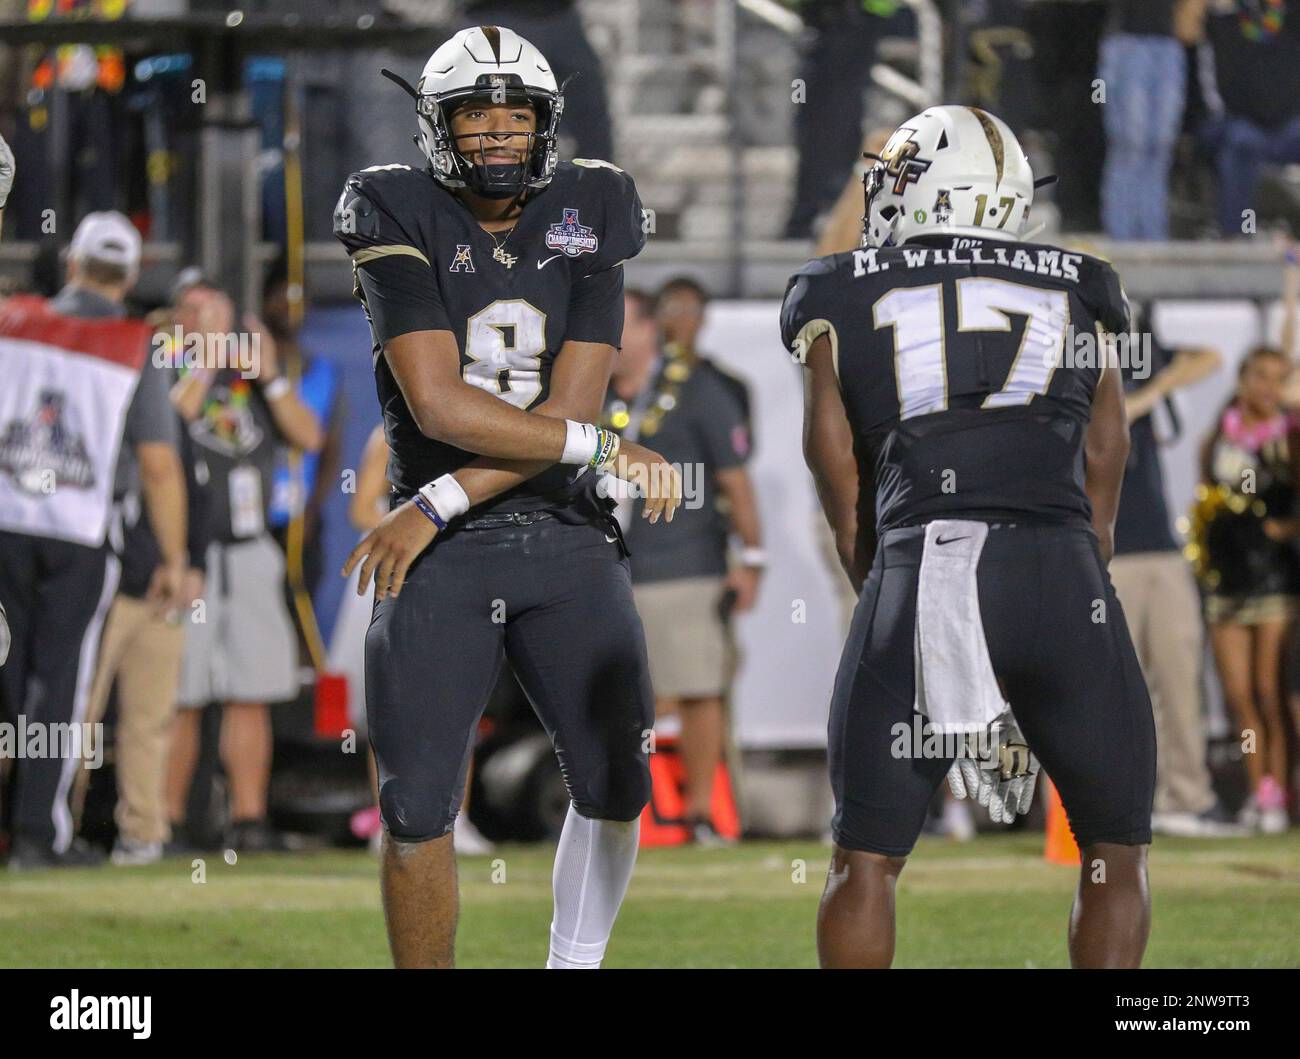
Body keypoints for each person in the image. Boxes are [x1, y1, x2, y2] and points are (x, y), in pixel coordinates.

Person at [332, 26, 680, 969]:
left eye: (514, 115)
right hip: (443, 554)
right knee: (413, 805)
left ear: (545, 123)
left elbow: (567, 411)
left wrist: (438, 499)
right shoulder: (392, 207)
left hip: (552, 531)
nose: (495, 135)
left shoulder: (593, 205)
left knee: (618, 781)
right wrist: (599, 445)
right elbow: (440, 401)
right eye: (475, 117)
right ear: (438, 127)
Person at [782, 105, 1155, 967]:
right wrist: (1086, 564)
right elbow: (1109, 442)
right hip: (1061, 564)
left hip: (927, 561)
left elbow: (833, 460)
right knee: (1114, 848)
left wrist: (879, 584)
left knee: (866, 857)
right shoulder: (1084, 279)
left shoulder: (836, 286)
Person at [0, 211, 189, 869]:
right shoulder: (135, 345)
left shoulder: (11, 320)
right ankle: (33, 833)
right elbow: (160, 465)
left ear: (73, 262)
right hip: (78, 531)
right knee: (54, 685)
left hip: (4, 522)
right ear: (131, 273)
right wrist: (174, 554)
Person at [165, 275, 324, 853]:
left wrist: (273, 376)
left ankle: (250, 820)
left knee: (250, 689)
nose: (218, 327)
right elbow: (172, 416)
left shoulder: (252, 380)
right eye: (204, 315)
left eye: (224, 316)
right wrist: (202, 356)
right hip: (187, 551)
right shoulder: (166, 364)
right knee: (182, 692)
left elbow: (308, 435)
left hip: (251, 543)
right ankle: (168, 823)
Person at [605, 289, 762, 844]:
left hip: (686, 563)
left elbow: (734, 479)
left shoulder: (698, 390)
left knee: (698, 688)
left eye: (619, 323)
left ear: (650, 331)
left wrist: (752, 557)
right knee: (615, 695)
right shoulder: (588, 393)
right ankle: (613, 812)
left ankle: (700, 814)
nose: (608, 334)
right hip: (608, 569)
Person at [1112, 307, 1234, 836]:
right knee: (1114, 687)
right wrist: (1144, 397)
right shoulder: (1057, 361)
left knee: (1179, 675)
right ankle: (1113, 805)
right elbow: (1105, 421)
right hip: (1103, 550)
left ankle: (1186, 796)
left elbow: (1208, 358)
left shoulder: (1139, 355)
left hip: (1159, 545)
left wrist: (1154, 385)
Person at [1198, 347, 1299, 834]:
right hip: (1226, 580)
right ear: (1242, 378)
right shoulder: (1220, 434)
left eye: (1276, 379)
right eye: (1259, 376)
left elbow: (1276, 492)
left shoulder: (1289, 436)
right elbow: (1212, 497)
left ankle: (1277, 790)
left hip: (1272, 579)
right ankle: (1256, 788)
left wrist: (1286, 528)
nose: (1266, 388)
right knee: (1239, 698)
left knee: (1268, 691)